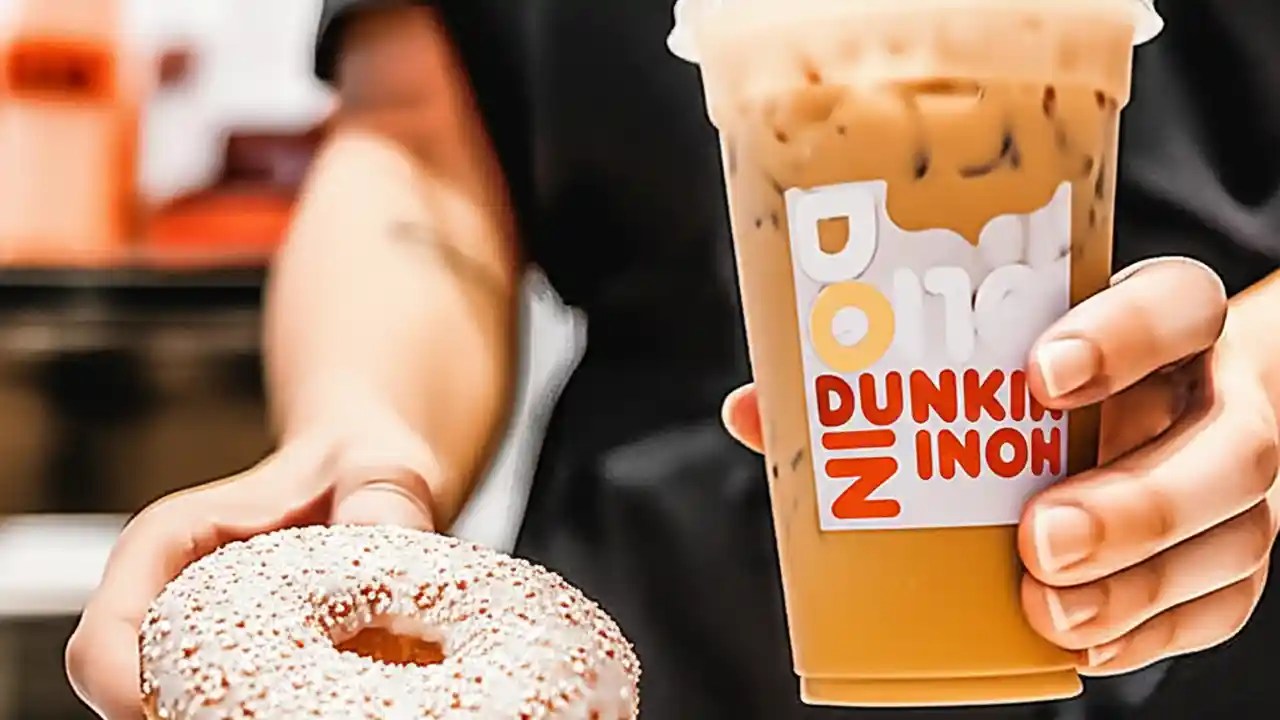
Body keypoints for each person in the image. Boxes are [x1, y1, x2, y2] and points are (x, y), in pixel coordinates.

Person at [67, 1, 1280, 718]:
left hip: (1218, 584)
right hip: (662, 599)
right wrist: (360, 432)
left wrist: (1259, 376)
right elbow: (420, 142)